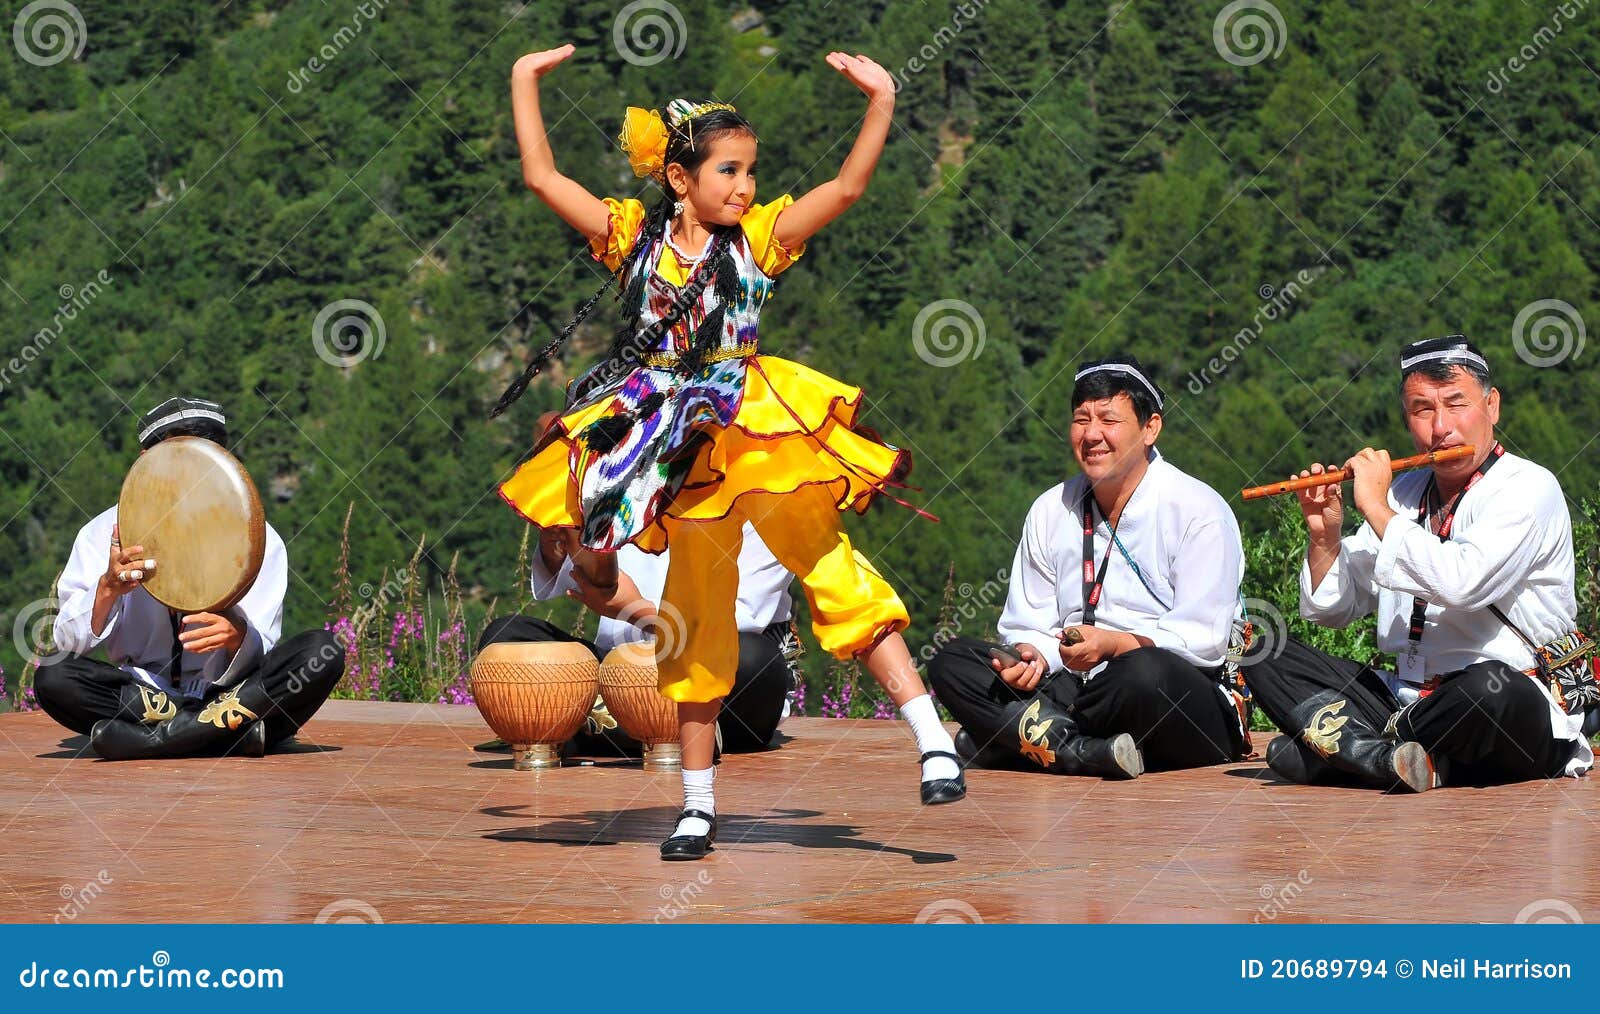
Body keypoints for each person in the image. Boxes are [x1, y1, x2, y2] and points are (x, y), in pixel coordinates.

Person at [492, 45, 963, 861]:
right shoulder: (633, 239)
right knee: (697, 610)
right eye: (729, 171)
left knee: (826, 561)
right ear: (680, 178)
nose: (745, 187)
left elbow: (847, 188)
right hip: (673, 439)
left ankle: (931, 739)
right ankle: (697, 806)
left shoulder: (760, 240)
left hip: (753, 429)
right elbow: (541, 178)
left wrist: (882, 100)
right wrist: (523, 81)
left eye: (750, 171)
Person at [1245, 335, 1596, 791]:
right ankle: (1387, 759)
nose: (1441, 428)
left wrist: (1374, 507)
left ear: (1492, 406)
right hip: (1405, 700)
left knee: (1492, 686)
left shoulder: (1528, 487)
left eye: (1457, 404)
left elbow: (1461, 583)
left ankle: (1351, 753)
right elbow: (1331, 610)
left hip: (1503, 706)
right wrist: (1324, 536)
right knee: (1260, 649)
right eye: (1422, 410)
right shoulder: (1404, 494)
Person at [928, 357, 1251, 777]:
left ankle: (1025, 741)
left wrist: (1113, 644)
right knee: (953, 662)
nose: (1092, 435)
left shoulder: (1198, 510)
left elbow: (1203, 640)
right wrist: (1031, 656)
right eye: (1082, 420)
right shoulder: (1050, 509)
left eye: (1108, 420)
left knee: (1143, 673)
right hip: (1078, 685)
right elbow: (1029, 624)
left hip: (1179, 696)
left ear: (1151, 428)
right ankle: (1084, 751)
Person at [34, 397, 344, 759]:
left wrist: (238, 637)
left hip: (228, 692)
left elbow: (264, 648)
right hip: (146, 696)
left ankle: (153, 741)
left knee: (322, 651)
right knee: (53, 678)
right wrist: (108, 589)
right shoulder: (100, 533)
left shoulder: (258, 538)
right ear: (145, 462)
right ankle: (218, 735)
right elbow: (67, 642)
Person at [479, 518, 799, 754]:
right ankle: (651, 732)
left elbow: (735, 620)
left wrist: (635, 610)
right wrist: (559, 547)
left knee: (755, 659)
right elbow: (583, 575)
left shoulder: (761, 497)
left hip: (709, 676)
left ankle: (571, 728)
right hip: (616, 674)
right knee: (506, 639)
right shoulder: (629, 480)